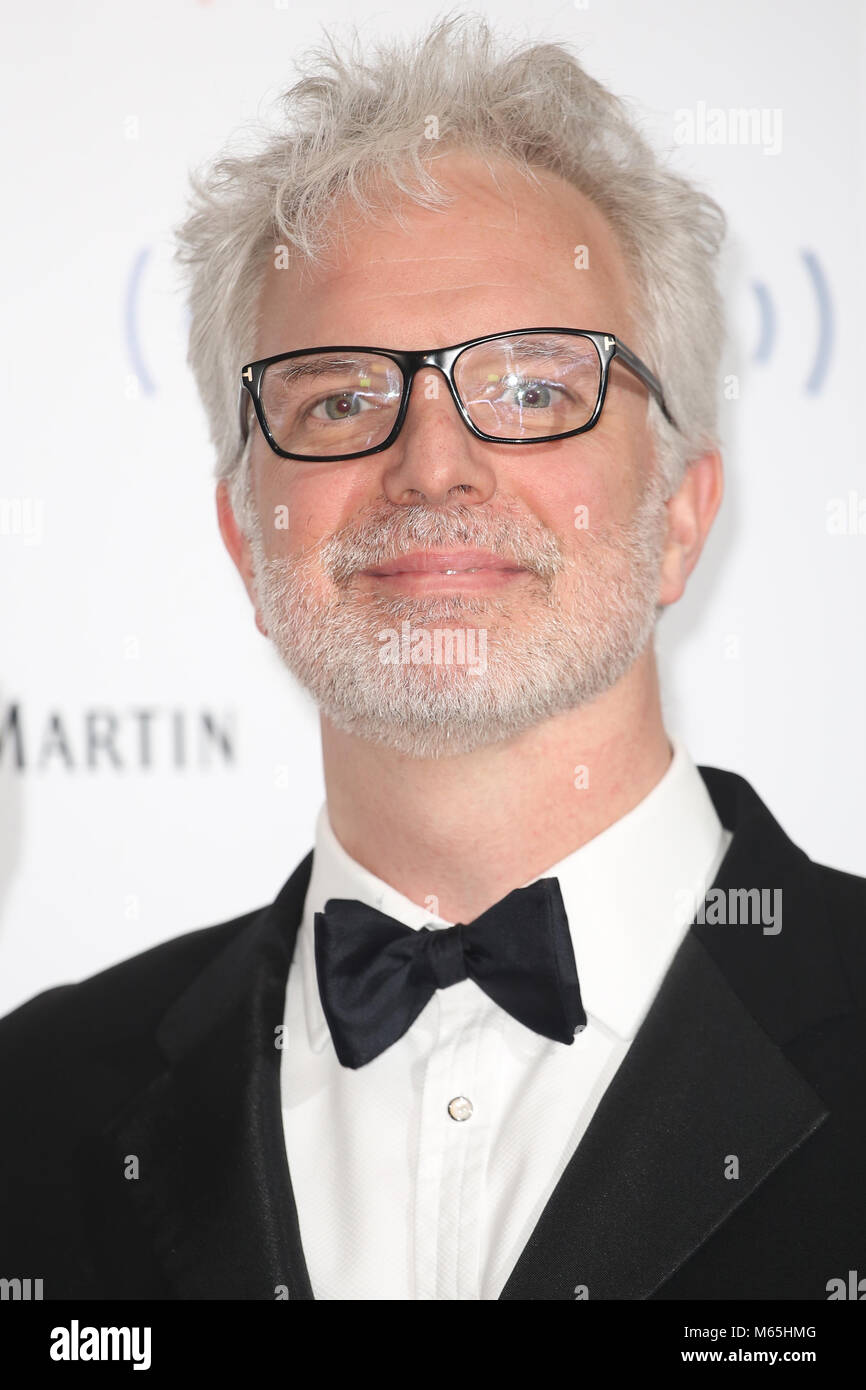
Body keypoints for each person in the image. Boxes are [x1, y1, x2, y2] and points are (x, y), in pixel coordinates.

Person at [1, 14, 864, 1302]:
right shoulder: (36, 1103)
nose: (431, 466)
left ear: (678, 514)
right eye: (338, 399)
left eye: (532, 390)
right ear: (246, 538)